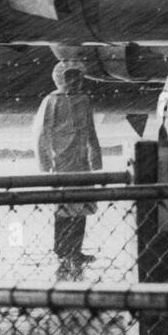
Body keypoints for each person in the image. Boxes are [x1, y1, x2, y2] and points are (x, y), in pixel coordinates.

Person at [34, 62, 102, 278]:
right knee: (63, 206)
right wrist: (45, 161)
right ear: (61, 78)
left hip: (81, 161)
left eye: (78, 77)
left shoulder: (84, 100)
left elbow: (90, 130)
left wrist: (95, 156)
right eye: (70, 77)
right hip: (61, 161)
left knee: (81, 205)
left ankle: (76, 250)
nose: (76, 81)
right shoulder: (51, 101)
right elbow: (41, 133)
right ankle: (62, 249)